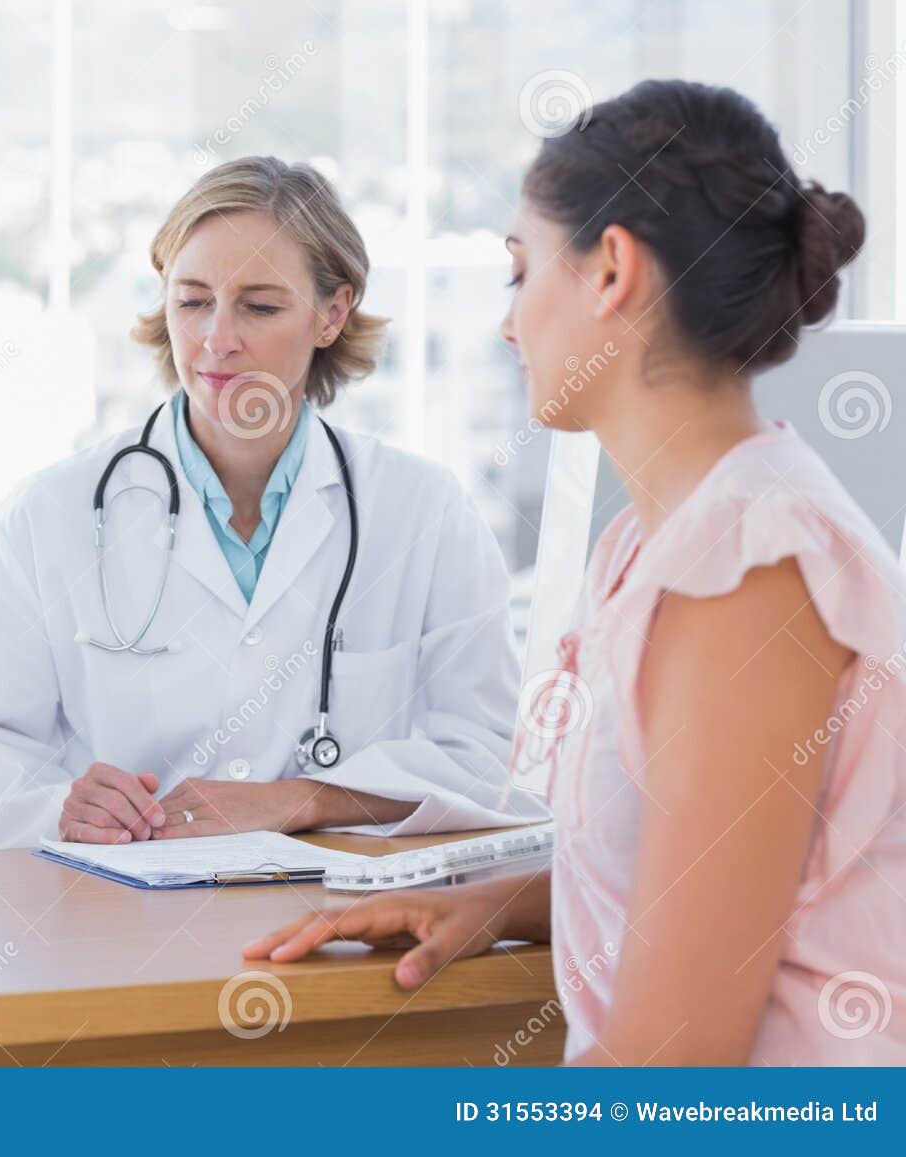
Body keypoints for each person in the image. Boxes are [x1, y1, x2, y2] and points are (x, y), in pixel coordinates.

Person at [246, 80, 906, 1064]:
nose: (507, 326)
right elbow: (705, 867)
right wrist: (496, 901)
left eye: (519, 274)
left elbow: (672, 1072)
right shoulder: (654, 545)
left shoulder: (747, 570)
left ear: (610, 272)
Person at [0, 156, 545, 851]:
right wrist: (63, 807)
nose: (217, 339)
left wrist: (298, 800)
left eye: (260, 305)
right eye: (192, 300)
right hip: (115, 928)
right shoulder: (47, 517)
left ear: (332, 313)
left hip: (337, 929)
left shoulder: (424, 513)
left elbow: (487, 752)